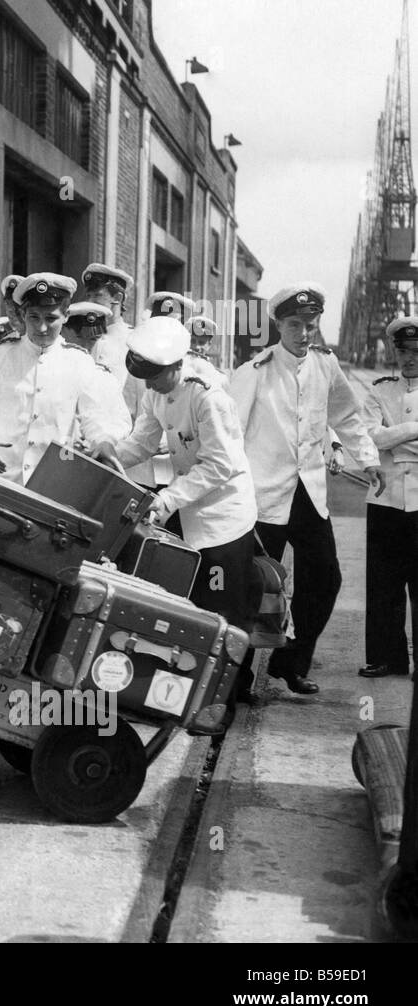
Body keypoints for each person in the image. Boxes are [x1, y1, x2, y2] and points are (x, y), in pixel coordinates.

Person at [93, 316, 260, 726]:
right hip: (189, 512)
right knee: (194, 608)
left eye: (156, 377)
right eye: (145, 378)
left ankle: (223, 705)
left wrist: (167, 498)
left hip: (224, 520)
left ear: (176, 366)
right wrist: (107, 456)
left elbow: (220, 465)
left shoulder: (207, 397)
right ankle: (188, 695)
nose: (150, 386)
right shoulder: (159, 392)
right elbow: (143, 442)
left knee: (224, 613)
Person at [228, 282, 382, 695]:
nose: (303, 333)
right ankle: (236, 675)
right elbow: (232, 436)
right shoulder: (255, 371)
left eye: (310, 325)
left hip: (309, 493)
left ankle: (291, 660)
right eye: (295, 324)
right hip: (263, 496)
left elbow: (346, 417)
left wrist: (367, 458)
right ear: (278, 324)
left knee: (325, 578)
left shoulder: (326, 366)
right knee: (254, 585)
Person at [0, 272, 125, 485]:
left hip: (53, 483)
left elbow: (93, 415)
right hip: (0, 478)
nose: (42, 328)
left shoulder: (79, 362)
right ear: (23, 314)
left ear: (66, 315)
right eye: (34, 317)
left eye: (51, 318)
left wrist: (103, 441)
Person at [358, 315, 418, 678]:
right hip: (386, 498)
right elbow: (368, 438)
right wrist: (412, 431)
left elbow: (383, 439)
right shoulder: (379, 389)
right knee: (384, 584)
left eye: (416, 351)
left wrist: (391, 439)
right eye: (402, 351)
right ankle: (386, 657)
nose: (409, 358)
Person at [61, 301, 133, 439]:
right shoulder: (46, 370)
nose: (85, 346)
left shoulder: (104, 378)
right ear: (62, 332)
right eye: (79, 338)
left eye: (93, 340)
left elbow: (122, 422)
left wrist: (104, 440)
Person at [80, 263, 134, 387]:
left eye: (97, 295)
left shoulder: (134, 339)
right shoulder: (81, 337)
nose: (90, 302)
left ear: (117, 298)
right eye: (89, 296)